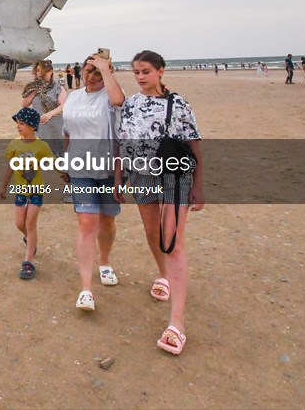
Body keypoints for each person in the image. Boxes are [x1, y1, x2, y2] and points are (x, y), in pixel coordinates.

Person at [116, 50, 203, 356]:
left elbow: (194, 143)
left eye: (146, 71)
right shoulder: (130, 104)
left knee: (173, 242)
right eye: (136, 72)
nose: (140, 77)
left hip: (174, 175)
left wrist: (199, 185)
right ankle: (164, 275)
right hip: (140, 175)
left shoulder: (178, 104)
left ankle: (176, 324)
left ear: (160, 71)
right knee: (152, 233)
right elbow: (122, 143)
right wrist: (119, 176)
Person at [62, 52, 125, 312]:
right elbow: (67, 132)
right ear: (81, 72)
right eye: (89, 70)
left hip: (109, 169)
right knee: (87, 222)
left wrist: (105, 69)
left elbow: (119, 101)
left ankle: (105, 262)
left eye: (98, 72)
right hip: (80, 168)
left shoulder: (111, 96)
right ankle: (86, 289)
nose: (92, 76)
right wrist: (65, 162)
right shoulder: (74, 97)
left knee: (107, 219)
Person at [0, 107, 55, 280]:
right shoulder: (14, 145)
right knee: (19, 223)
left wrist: (65, 175)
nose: (18, 126)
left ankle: (28, 261)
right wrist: (4, 186)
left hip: (36, 190)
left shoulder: (42, 146)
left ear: (33, 126)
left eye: (22, 123)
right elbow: (10, 167)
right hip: (20, 191)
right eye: (17, 123)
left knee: (30, 222)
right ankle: (30, 239)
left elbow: (53, 163)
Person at [20, 60, 65, 145]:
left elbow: (63, 106)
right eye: (38, 70)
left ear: (51, 72)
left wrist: (49, 114)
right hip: (39, 127)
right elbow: (24, 104)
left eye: (43, 71)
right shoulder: (32, 87)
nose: (40, 73)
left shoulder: (58, 87)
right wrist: (35, 89)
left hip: (56, 126)